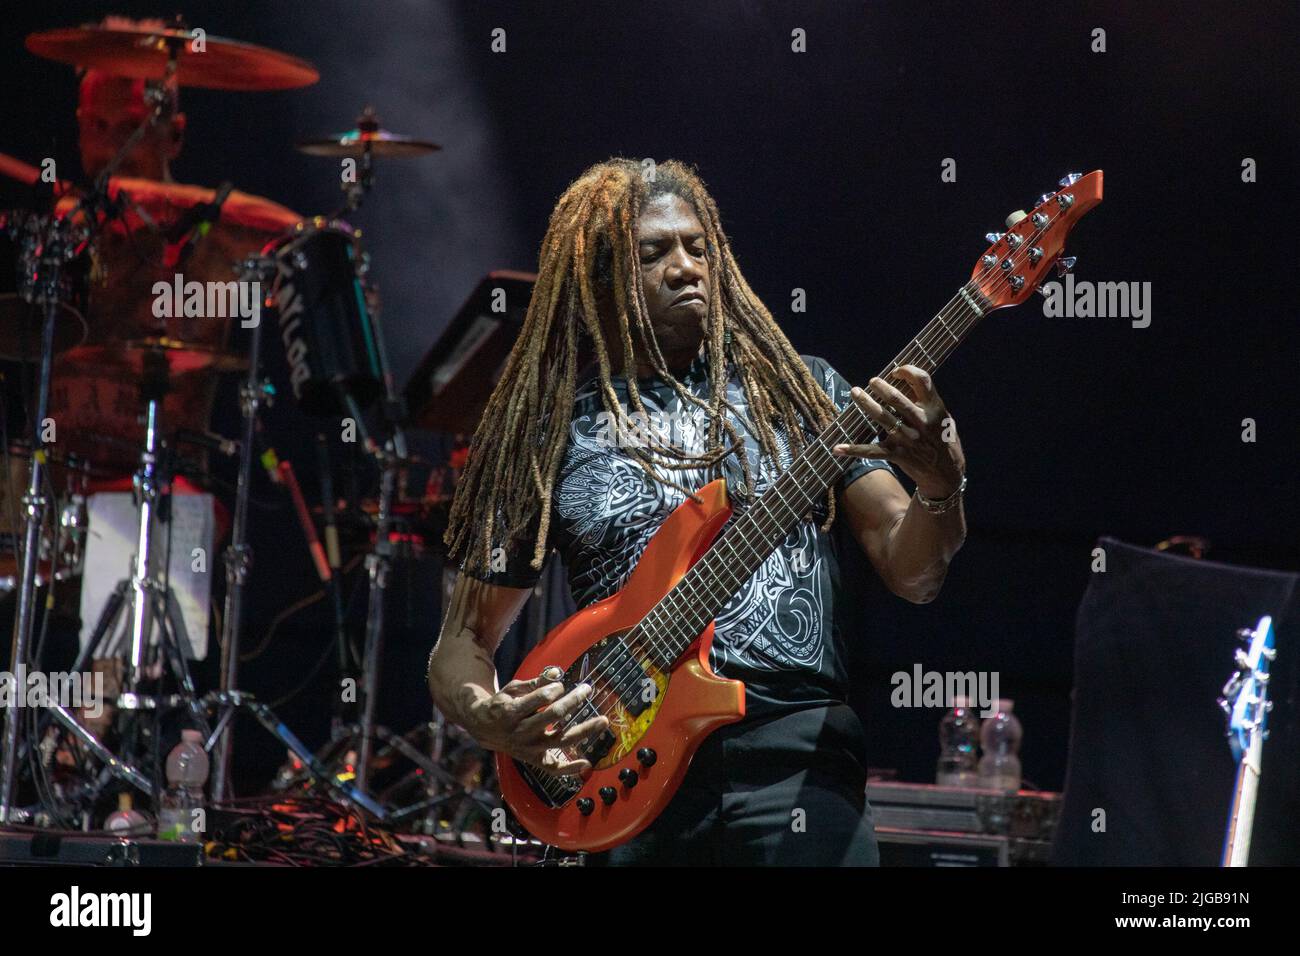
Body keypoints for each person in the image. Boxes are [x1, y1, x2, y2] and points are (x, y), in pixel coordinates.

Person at [427, 158, 967, 865]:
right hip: (628, 781)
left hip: (795, 765)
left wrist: (941, 486)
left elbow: (914, 571)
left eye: (697, 247)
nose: (685, 268)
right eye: (654, 253)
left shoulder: (805, 394)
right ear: (599, 282)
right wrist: (492, 717)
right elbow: (462, 642)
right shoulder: (552, 430)